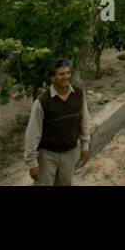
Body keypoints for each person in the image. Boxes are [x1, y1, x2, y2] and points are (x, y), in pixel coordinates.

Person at [25, 58, 91, 186]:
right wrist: (32, 163)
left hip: (70, 153)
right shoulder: (42, 102)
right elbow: (33, 133)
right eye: (61, 74)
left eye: (68, 73)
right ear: (52, 77)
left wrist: (85, 146)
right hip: (47, 155)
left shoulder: (79, 95)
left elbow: (84, 122)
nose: (66, 76)